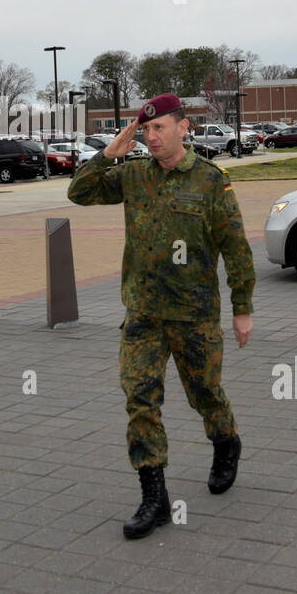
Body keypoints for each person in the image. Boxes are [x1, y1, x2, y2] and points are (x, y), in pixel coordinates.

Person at [68, 94, 255, 540]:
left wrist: (242, 308)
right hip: (144, 313)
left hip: (194, 315)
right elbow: (79, 193)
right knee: (140, 400)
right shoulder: (133, 176)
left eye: (159, 128)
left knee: (205, 393)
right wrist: (107, 155)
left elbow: (236, 248)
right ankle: (154, 497)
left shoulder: (211, 181)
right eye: (146, 130)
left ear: (183, 128)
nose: (151, 138)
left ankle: (226, 442)